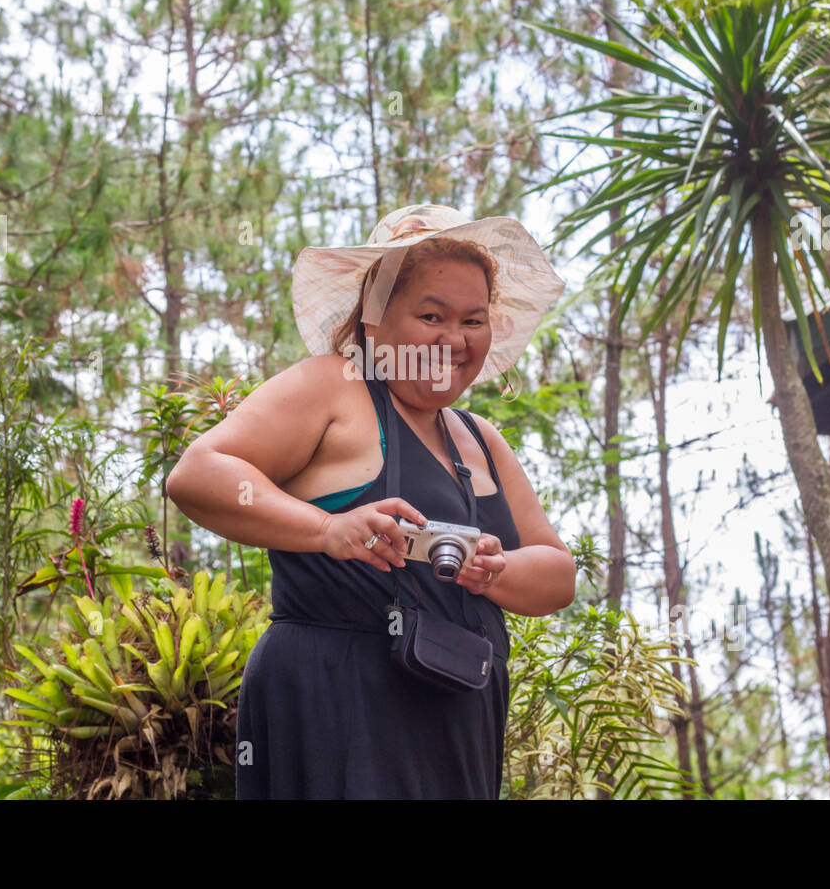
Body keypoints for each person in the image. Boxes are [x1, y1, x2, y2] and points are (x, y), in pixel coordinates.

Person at [165, 204, 575, 798]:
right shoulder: (335, 385)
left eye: (473, 320)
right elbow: (197, 474)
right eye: (431, 315)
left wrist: (497, 570)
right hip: (334, 697)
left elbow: (558, 575)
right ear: (375, 322)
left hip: (453, 714)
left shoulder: (480, 440)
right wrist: (326, 529)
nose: (453, 339)